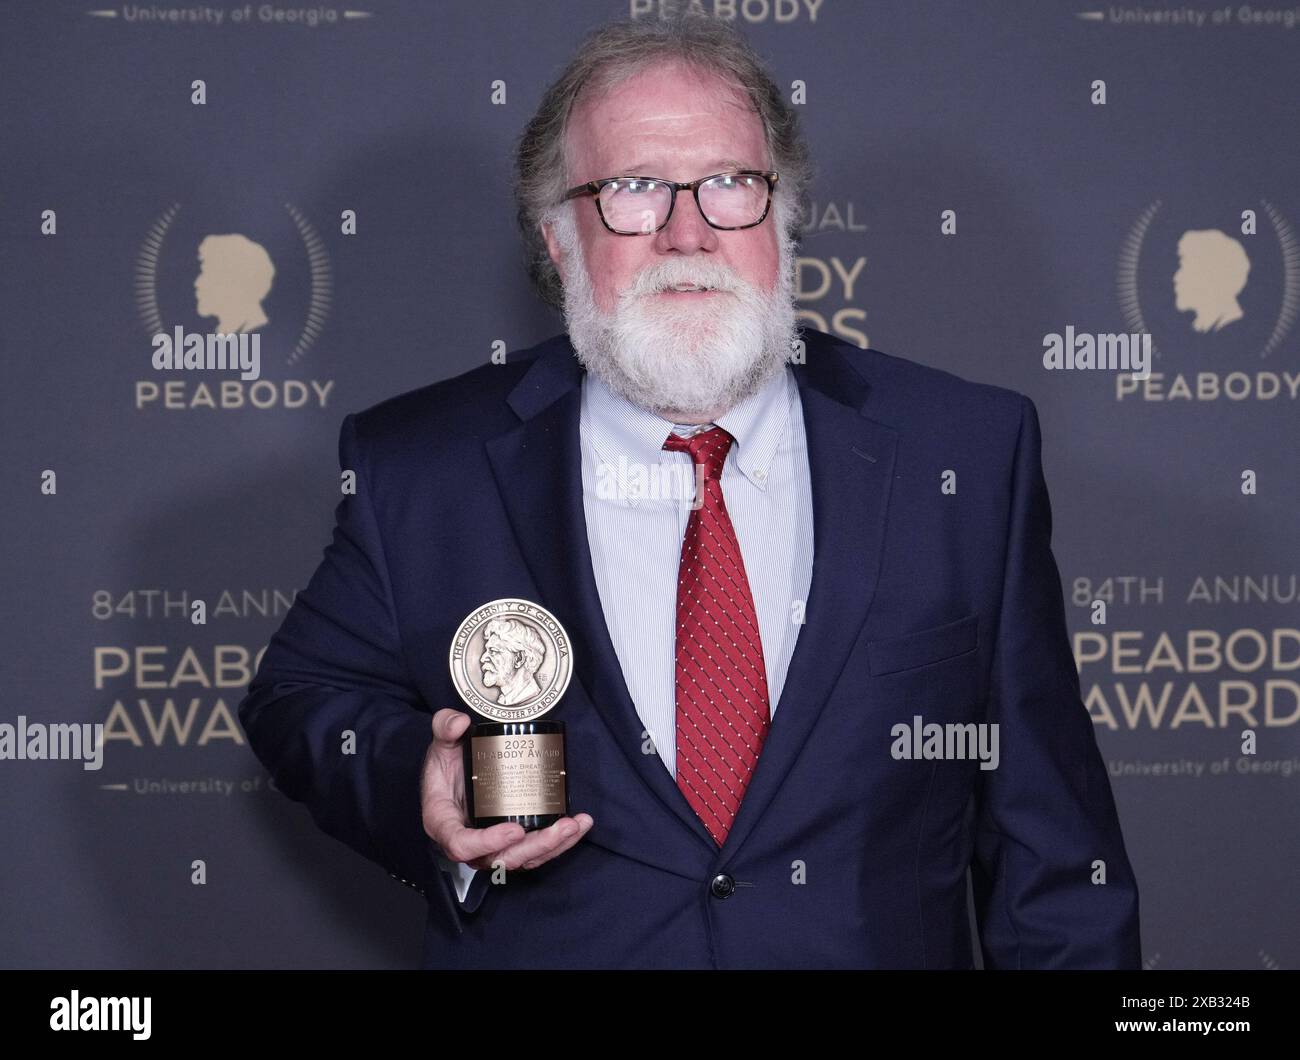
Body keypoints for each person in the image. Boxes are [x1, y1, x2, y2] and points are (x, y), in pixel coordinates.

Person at [238, 14, 1141, 969]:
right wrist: (408, 778)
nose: (688, 231)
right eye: (631, 190)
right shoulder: (424, 466)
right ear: (558, 238)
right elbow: (300, 698)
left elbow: (1054, 863)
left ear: (782, 217)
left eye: (730, 185)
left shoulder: (960, 454)